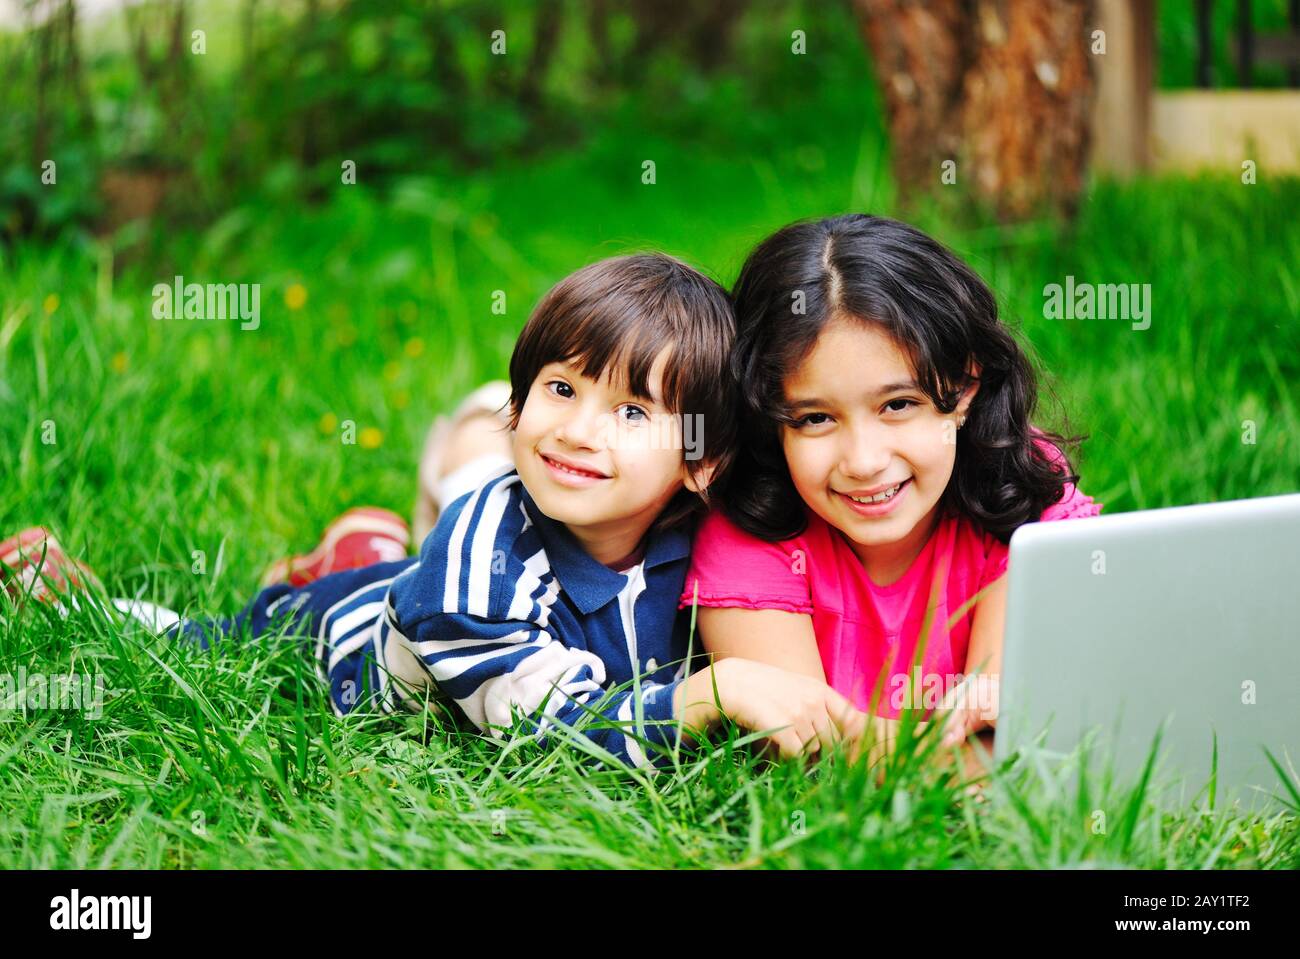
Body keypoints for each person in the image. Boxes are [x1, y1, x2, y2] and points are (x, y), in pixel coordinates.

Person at [5, 253, 864, 770]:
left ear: (701, 464)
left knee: (377, 565)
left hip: (407, 590)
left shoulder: (699, 544)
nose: (575, 428)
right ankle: (77, 593)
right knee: (200, 637)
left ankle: (360, 545)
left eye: (632, 412)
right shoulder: (478, 560)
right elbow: (539, 728)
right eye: (559, 388)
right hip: (336, 644)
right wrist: (707, 698)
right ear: (519, 402)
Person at [679, 214, 1103, 754]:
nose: (863, 461)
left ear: (966, 387)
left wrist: (991, 735)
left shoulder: (1020, 484)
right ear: (767, 418)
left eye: (898, 405)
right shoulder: (750, 521)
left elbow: (1018, 736)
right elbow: (810, 754)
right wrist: (971, 747)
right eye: (814, 418)